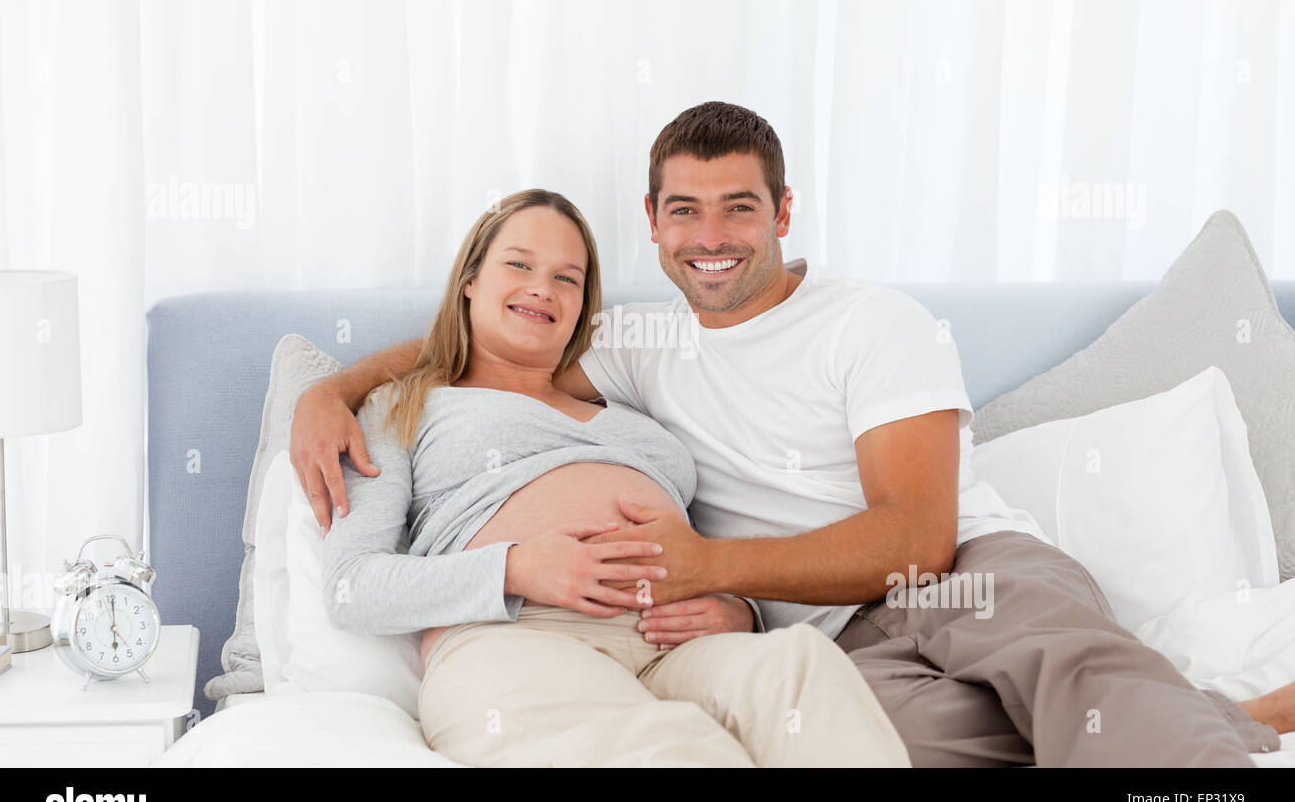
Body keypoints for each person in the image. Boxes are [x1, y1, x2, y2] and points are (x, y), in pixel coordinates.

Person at [296, 102, 1294, 766]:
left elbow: (915, 543)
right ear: (653, 221)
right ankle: (1217, 719)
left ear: (782, 210)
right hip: (816, 627)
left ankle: (1193, 784)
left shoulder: (862, 323)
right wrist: (329, 387)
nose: (712, 234)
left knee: (1054, 659)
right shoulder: (595, 361)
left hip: (941, 574)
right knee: (917, 740)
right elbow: (466, 359)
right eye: (685, 209)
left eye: (739, 206)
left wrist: (710, 579)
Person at [317, 186, 911, 767]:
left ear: (583, 304)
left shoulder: (633, 407)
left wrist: (740, 609)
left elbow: (706, 532)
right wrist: (517, 568)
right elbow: (353, 586)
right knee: (674, 751)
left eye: (566, 278)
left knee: (801, 670)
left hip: (677, 639)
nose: (541, 289)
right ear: (471, 280)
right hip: (520, 640)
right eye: (519, 264)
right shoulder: (403, 404)